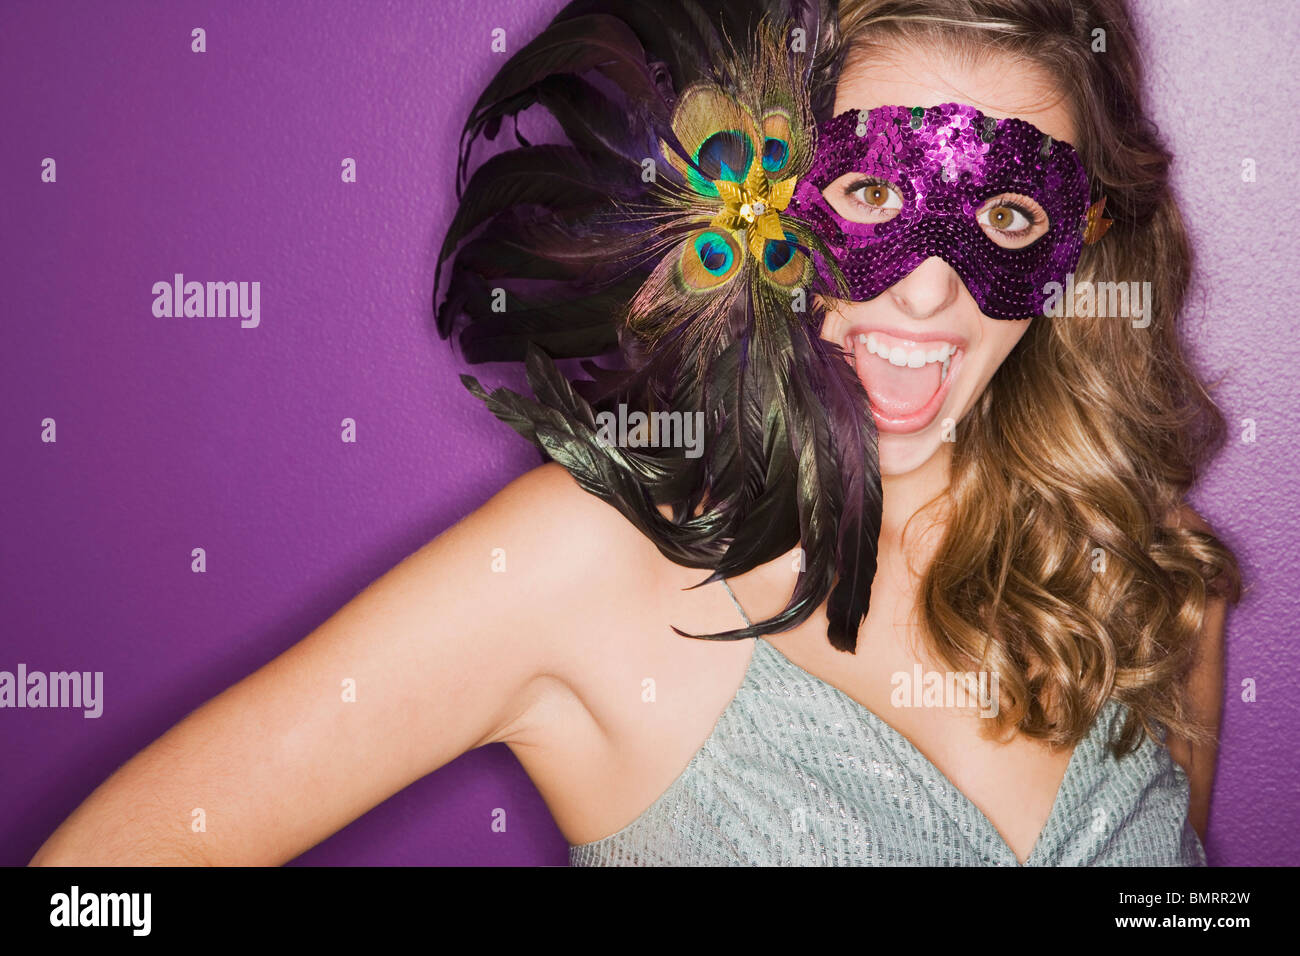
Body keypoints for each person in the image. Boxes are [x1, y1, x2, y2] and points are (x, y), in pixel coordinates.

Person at [29, 0, 1238, 867]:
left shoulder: (1144, 569)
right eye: (868, 194)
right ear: (757, 195)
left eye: (1010, 213)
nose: (928, 295)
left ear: (1080, 248)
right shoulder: (586, 564)